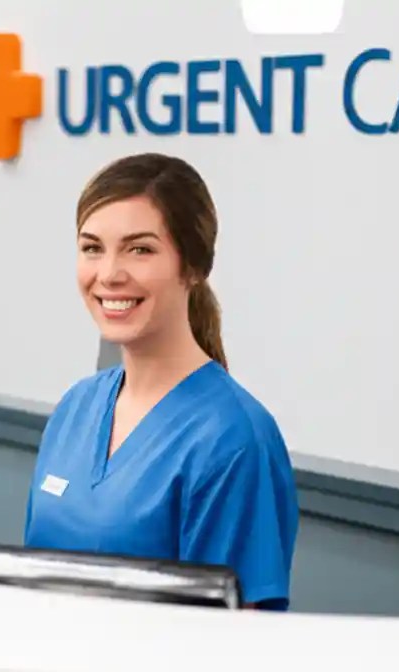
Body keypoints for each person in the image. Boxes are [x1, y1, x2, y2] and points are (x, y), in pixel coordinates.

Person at [24, 153, 299, 610]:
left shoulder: (234, 439)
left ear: (193, 267)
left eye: (140, 249)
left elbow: (235, 643)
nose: (109, 274)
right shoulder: (77, 407)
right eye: (92, 247)